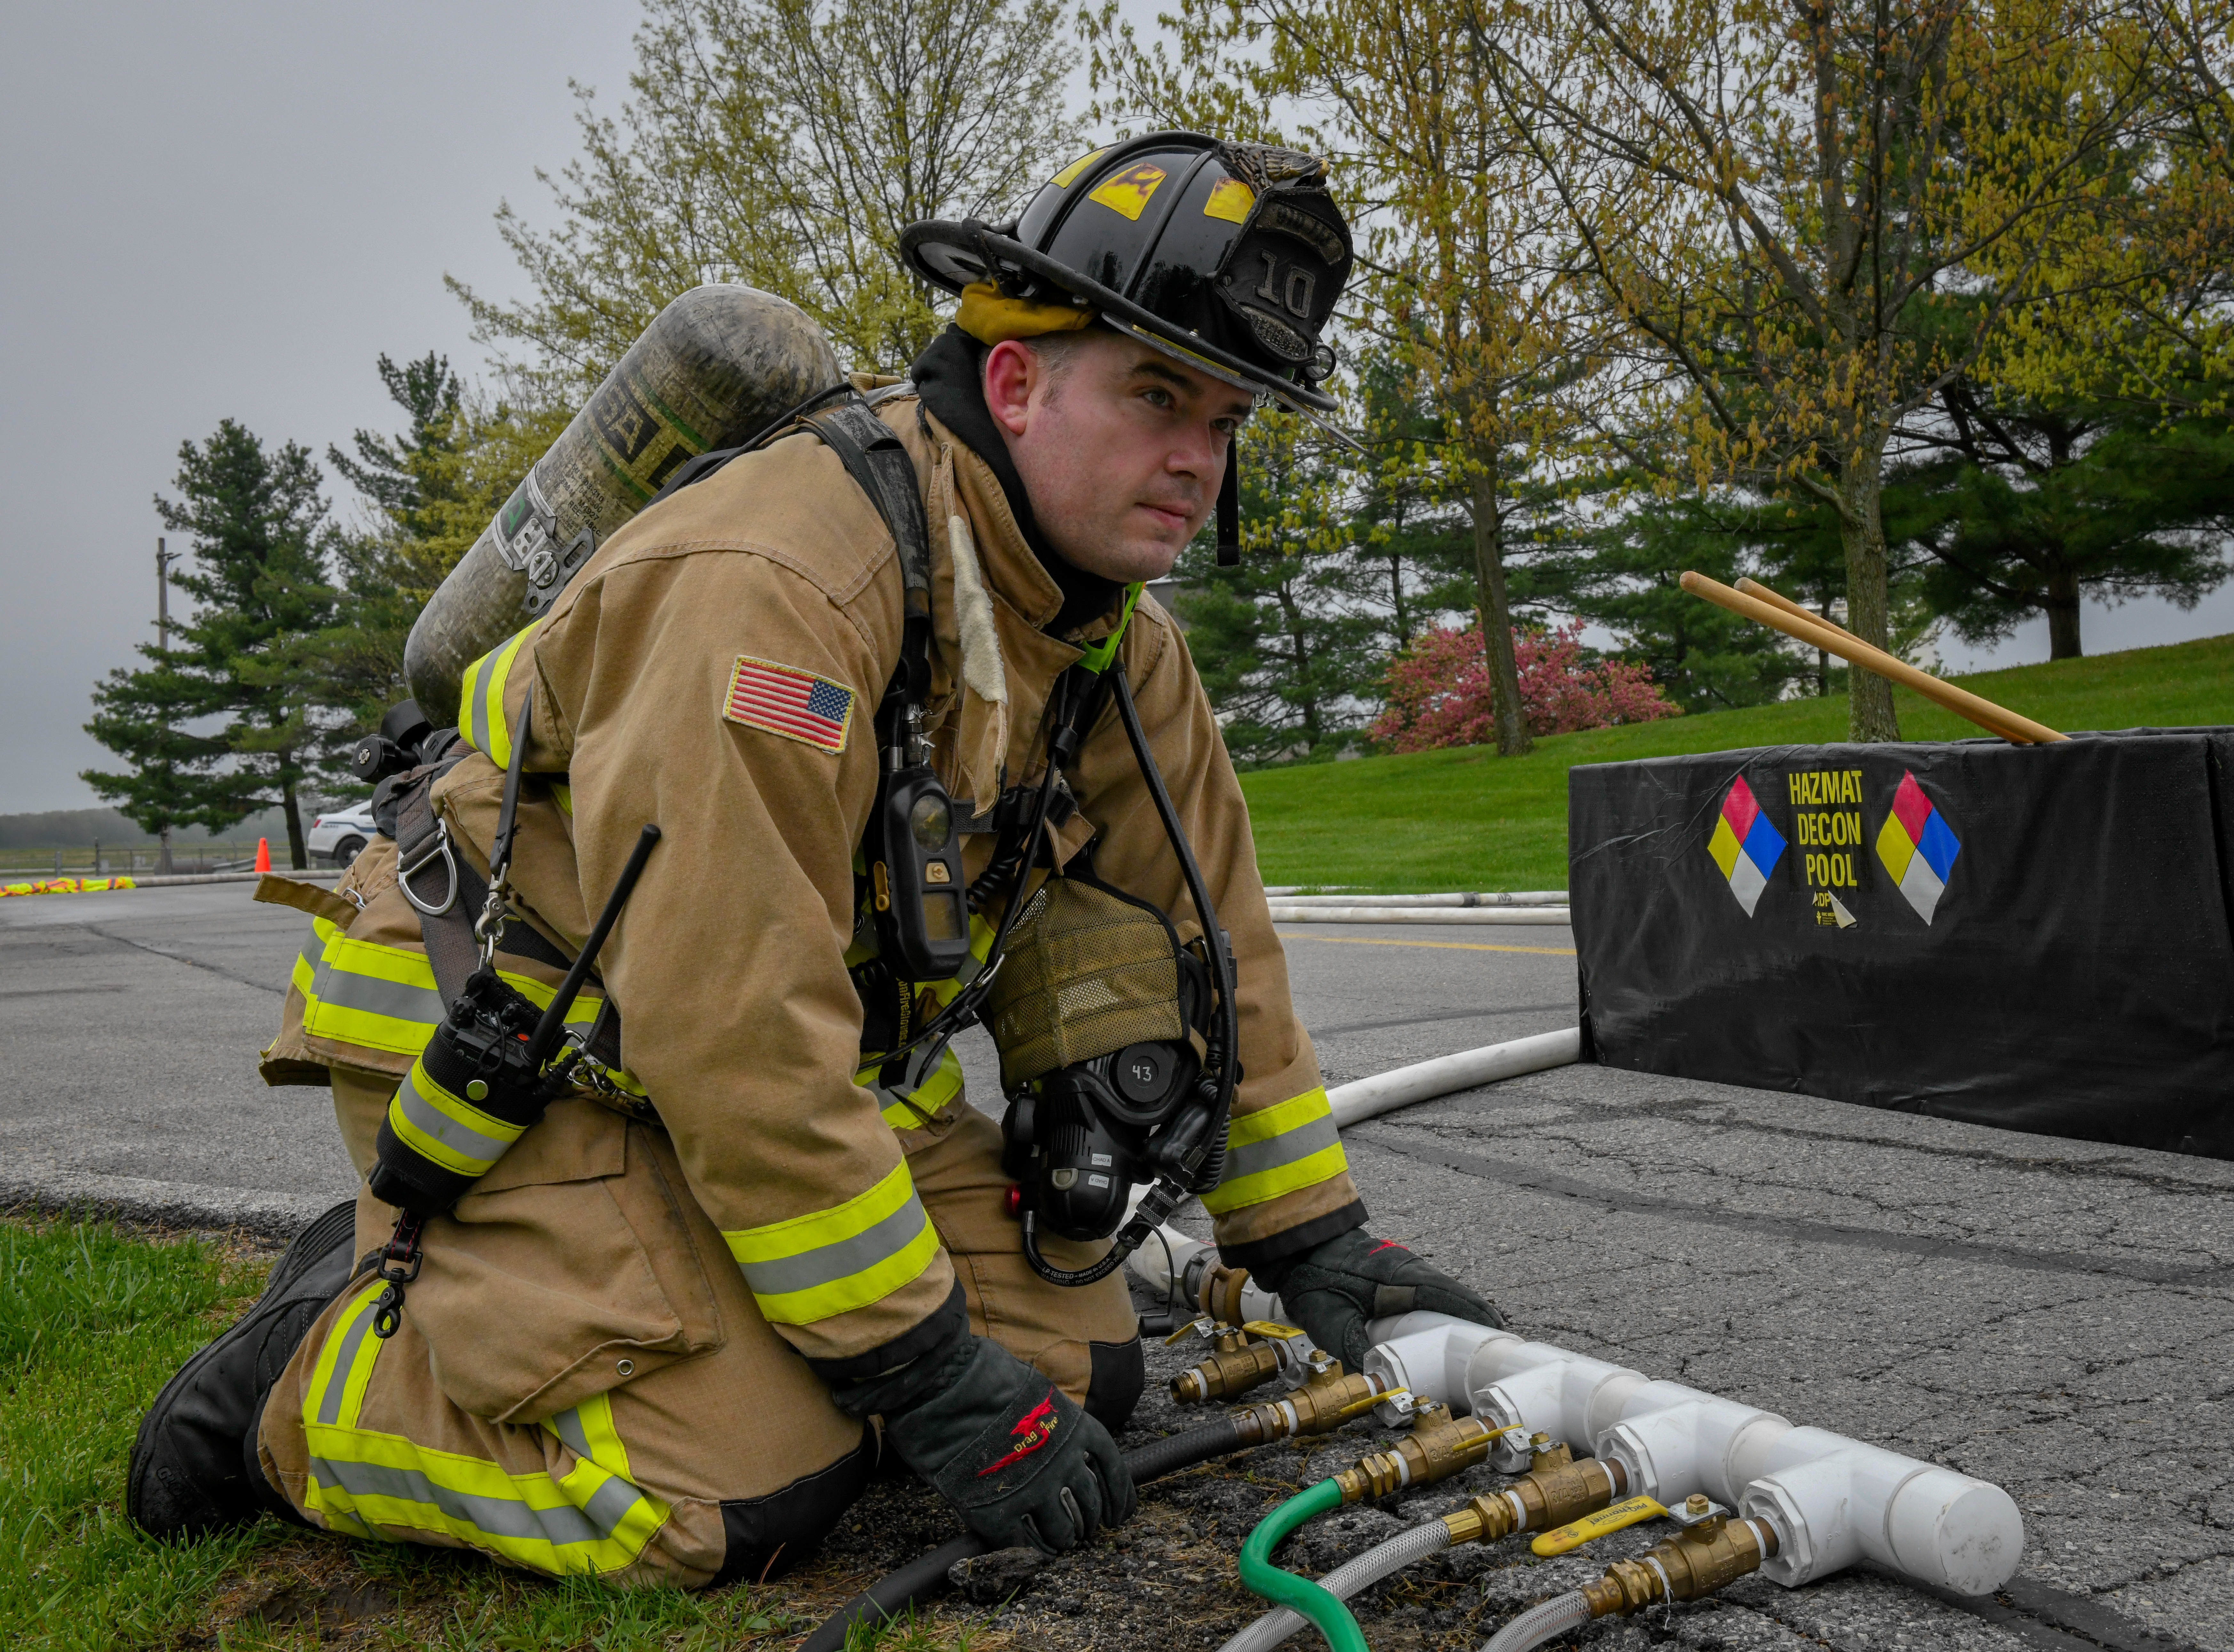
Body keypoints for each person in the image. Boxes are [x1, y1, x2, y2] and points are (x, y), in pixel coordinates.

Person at [127, 132, 1503, 1588]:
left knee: (1080, 1368)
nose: (1196, 460)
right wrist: (922, 1369)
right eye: (1157, 395)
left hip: (751, 1055)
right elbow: (732, 1026)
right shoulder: (777, 592)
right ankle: (320, 1381)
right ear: (1016, 382)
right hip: (520, 1036)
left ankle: (658, 1297)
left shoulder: (1110, 637)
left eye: (1226, 419)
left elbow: (1211, 937)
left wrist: (1310, 1235)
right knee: (740, 1487)